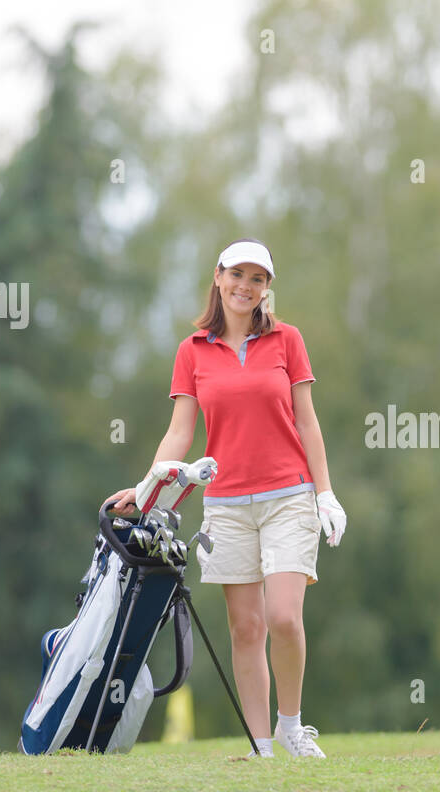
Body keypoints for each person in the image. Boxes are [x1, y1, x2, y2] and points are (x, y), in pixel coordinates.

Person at [105, 238, 346, 759]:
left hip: (290, 497)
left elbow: (308, 421)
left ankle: (291, 725)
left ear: (267, 289)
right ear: (218, 277)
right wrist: (147, 486)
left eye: (257, 279)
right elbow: (179, 435)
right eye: (237, 275)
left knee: (283, 617)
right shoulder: (193, 350)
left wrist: (326, 494)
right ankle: (261, 747)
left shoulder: (287, 340)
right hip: (227, 505)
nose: (246, 286)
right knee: (246, 627)